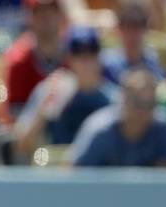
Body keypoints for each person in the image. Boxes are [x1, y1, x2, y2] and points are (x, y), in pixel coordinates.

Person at [13, 25, 116, 156]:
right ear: (68, 58)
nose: (85, 60)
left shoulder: (114, 99)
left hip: (100, 173)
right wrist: (45, 109)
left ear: (99, 56)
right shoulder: (51, 89)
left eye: (91, 52)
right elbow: (21, 146)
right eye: (78, 52)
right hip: (55, 173)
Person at [69, 69, 166, 167]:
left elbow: (165, 176)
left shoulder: (162, 128)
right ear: (123, 99)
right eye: (137, 102)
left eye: (149, 104)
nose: (143, 110)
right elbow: (77, 174)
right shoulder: (100, 131)